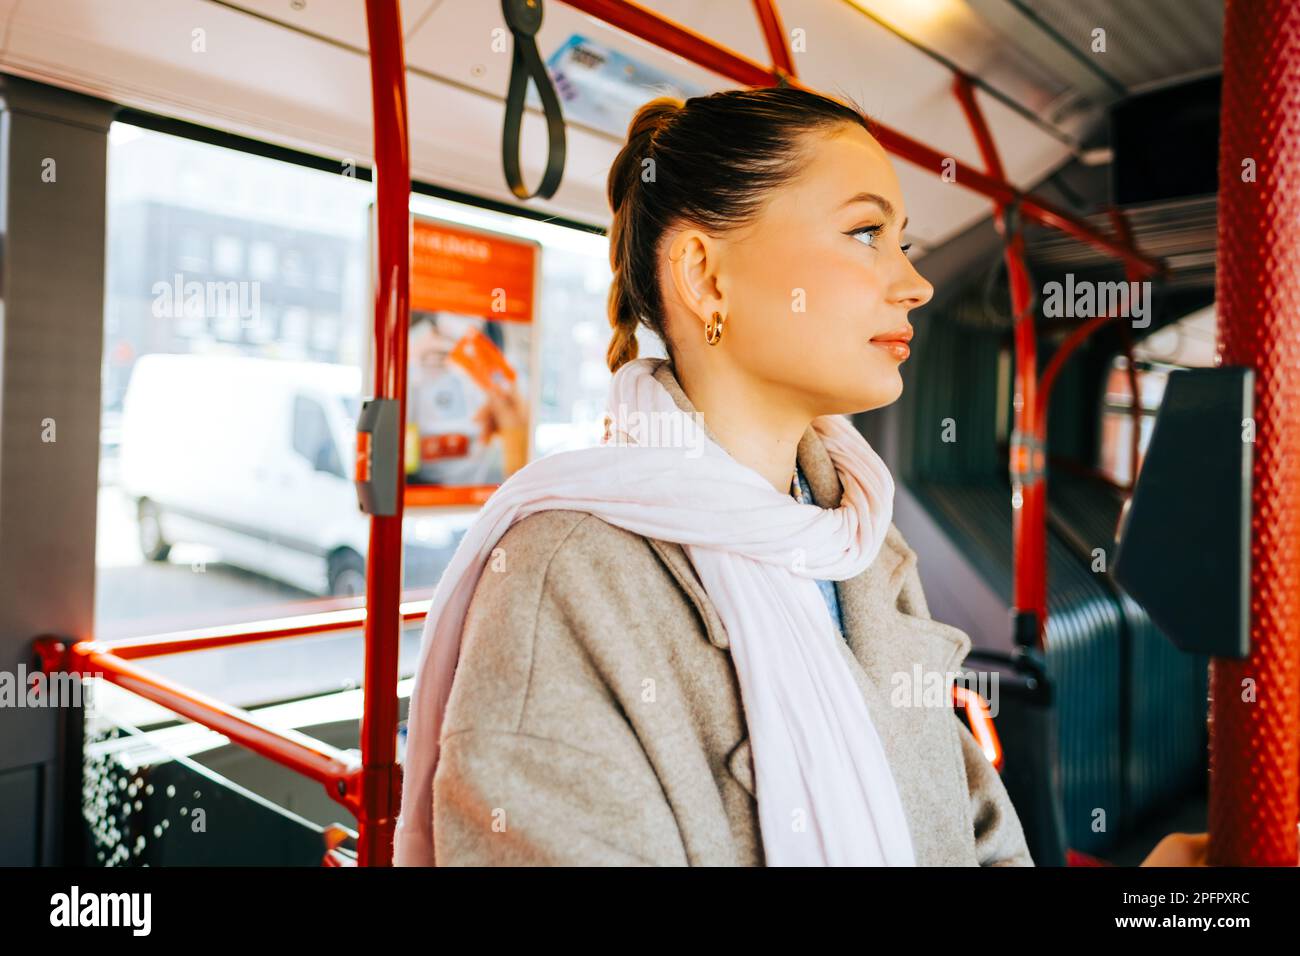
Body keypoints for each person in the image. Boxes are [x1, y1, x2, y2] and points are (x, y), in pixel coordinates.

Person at [393, 87, 1182, 866]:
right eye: (866, 231)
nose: (915, 284)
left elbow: (976, 836)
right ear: (704, 277)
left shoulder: (864, 545)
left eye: (902, 241)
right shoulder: (562, 580)